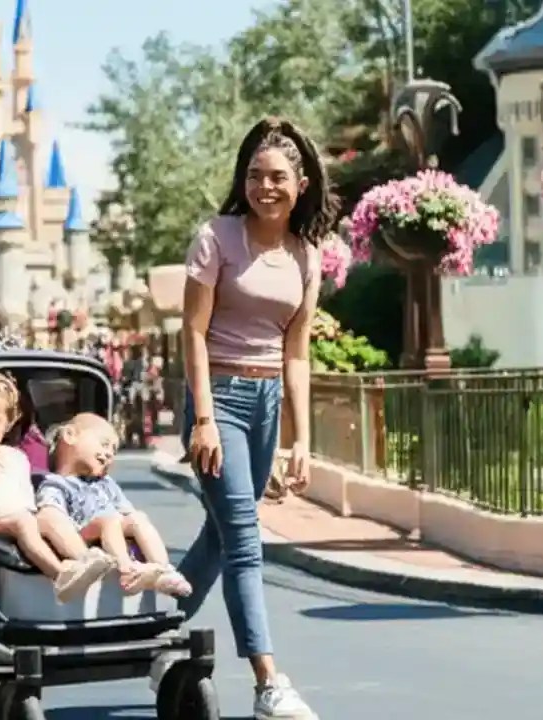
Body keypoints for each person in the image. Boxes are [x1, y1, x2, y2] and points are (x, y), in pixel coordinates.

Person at [168, 117, 333, 720]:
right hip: (219, 397)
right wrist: (204, 419)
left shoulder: (307, 256)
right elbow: (191, 328)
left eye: (278, 177)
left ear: (302, 183)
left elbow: (297, 352)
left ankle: (160, 629)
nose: (266, 186)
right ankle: (269, 684)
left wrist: (301, 441)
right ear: (244, 181)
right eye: (255, 176)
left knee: (220, 531)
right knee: (241, 533)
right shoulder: (217, 237)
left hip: (266, 405)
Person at [0, 371, 107, 602]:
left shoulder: (15, 457)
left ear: (8, 423)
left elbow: (24, 494)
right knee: (22, 522)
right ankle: (60, 577)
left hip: (19, 513)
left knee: (47, 517)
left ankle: (85, 560)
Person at [36, 413, 191, 597]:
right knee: (108, 522)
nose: (109, 454)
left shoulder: (106, 484)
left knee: (137, 517)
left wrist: (133, 523)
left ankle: (162, 569)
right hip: (84, 535)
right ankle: (127, 571)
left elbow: (125, 511)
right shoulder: (56, 484)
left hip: (113, 531)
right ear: (70, 435)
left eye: (114, 450)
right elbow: (53, 516)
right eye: (104, 444)